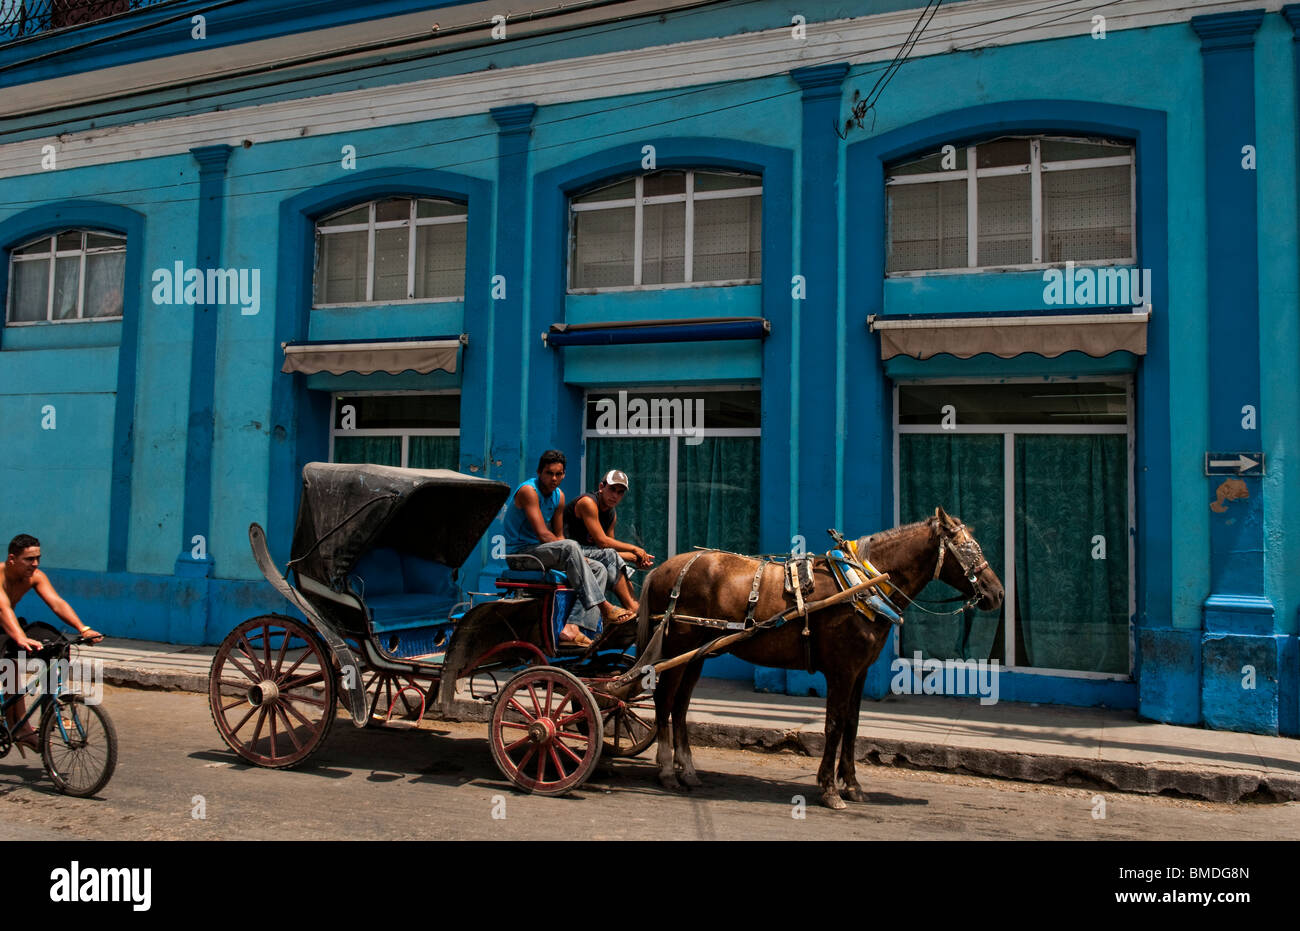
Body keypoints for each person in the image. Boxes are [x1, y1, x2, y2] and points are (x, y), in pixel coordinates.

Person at [502, 452, 636, 647]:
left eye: (559, 474)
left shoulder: (559, 496)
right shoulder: (529, 491)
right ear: (539, 472)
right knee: (572, 546)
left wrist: (578, 558)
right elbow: (543, 535)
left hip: (542, 552)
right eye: (549, 473)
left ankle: (573, 627)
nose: (554, 479)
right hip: (520, 555)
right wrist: (573, 553)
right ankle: (605, 608)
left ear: (564, 474)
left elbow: (559, 536)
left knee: (598, 567)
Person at [1, 534, 103, 755]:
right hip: (6, 625)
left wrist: (83, 628)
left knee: (57, 646)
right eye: (29, 559)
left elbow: (56, 603)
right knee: (11, 663)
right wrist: (20, 637)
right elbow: (4, 609)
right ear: (12, 559)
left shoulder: (35, 577)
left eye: (38, 558)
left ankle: (50, 710)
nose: (35, 563)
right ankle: (20, 728)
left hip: (10, 626)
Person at [563, 469, 654, 614]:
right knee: (611, 556)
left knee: (611, 558)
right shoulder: (588, 502)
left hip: (588, 554)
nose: (615, 496)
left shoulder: (611, 513)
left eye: (620, 492)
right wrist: (634, 549)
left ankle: (635, 606)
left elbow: (608, 548)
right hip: (568, 552)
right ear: (601, 487)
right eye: (612, 489)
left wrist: (634, 558)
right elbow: (603, 542)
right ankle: (633, 607)